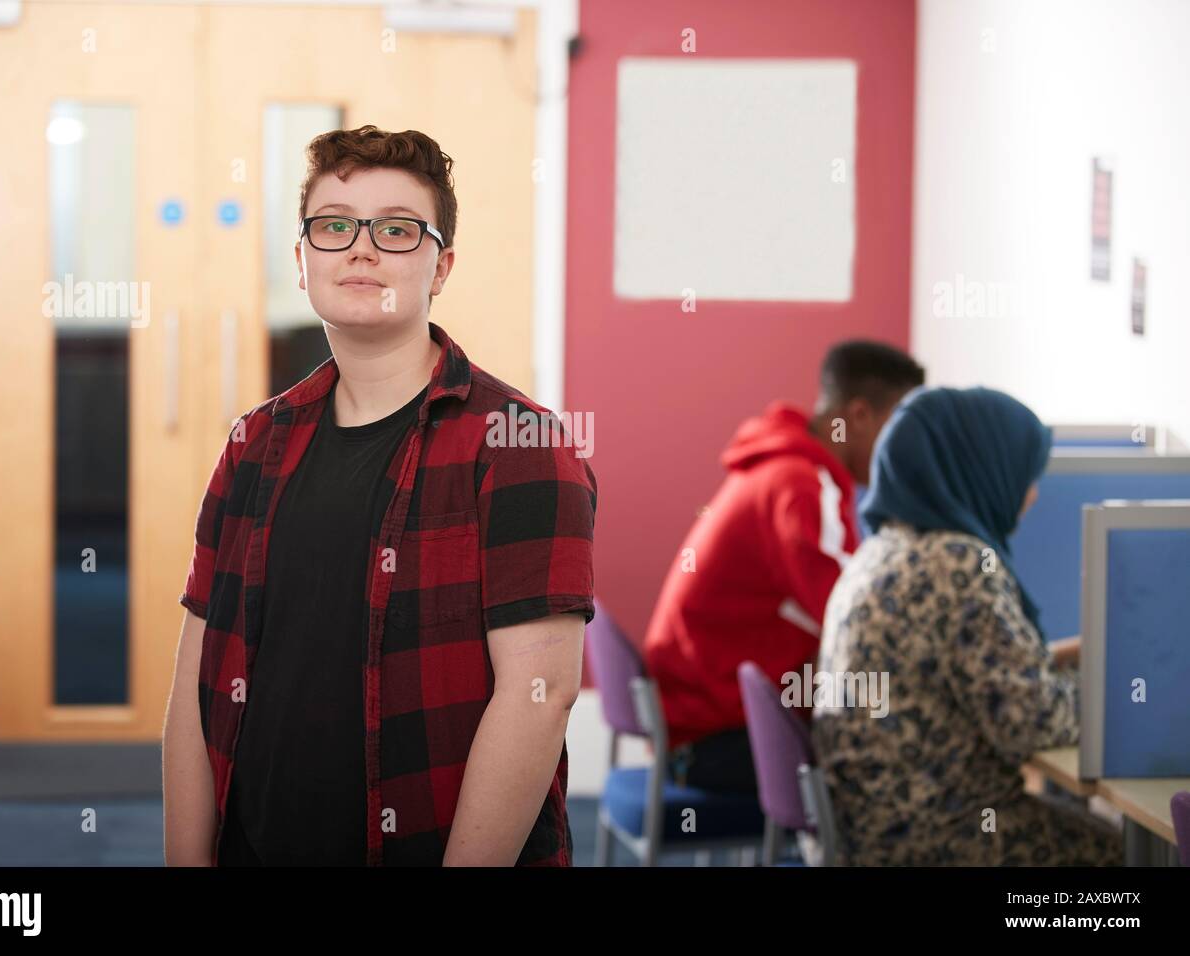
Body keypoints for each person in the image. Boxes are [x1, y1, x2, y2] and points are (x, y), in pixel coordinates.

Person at [162, 126, 596, 867]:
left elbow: (541, 693)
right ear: (302, 260)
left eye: (395, 230)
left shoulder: (519, 444)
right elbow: (193, 688)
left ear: (441, 266)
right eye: (334, 226)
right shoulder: (253, 444)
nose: (361, 249)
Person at [812, 386, 1123, 865]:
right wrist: (1129, 699)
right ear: (981, 468)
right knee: (1124, 852)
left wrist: (1070, 658)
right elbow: (1033, 723)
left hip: (873, 829)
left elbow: (974, 672)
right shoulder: (956, 563)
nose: (1033, 494)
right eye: (1024, 475)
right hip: (934, 838)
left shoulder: (882, 550)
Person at [642, 342, 925, 794]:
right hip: (714, 740)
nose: (908, 452)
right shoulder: (801, 486)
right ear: (859, 415)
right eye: (901, 428)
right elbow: (860, 619)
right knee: (909, 759)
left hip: (691, 723)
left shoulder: (782, 470)